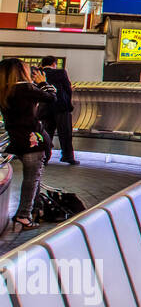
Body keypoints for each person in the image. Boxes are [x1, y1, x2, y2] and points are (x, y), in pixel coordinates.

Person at [0, 58, 59, 232]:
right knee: (32, 179)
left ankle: (34, 209)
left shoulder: (4, 91)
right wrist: (43, 83)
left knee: (32, 178)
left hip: (16, 139)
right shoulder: (26, 88)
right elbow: (52, 97)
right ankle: (24, 215)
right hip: (33, 141)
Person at [37, 55, 77, 164]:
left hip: (45, 108)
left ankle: (44, 158)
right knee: (65, 133)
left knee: (46, 133)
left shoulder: (39, 73)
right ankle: (67, 156)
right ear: (54, 64)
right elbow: (67, 89)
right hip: (61, 107)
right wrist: (69, 104)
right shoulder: (60, 72)